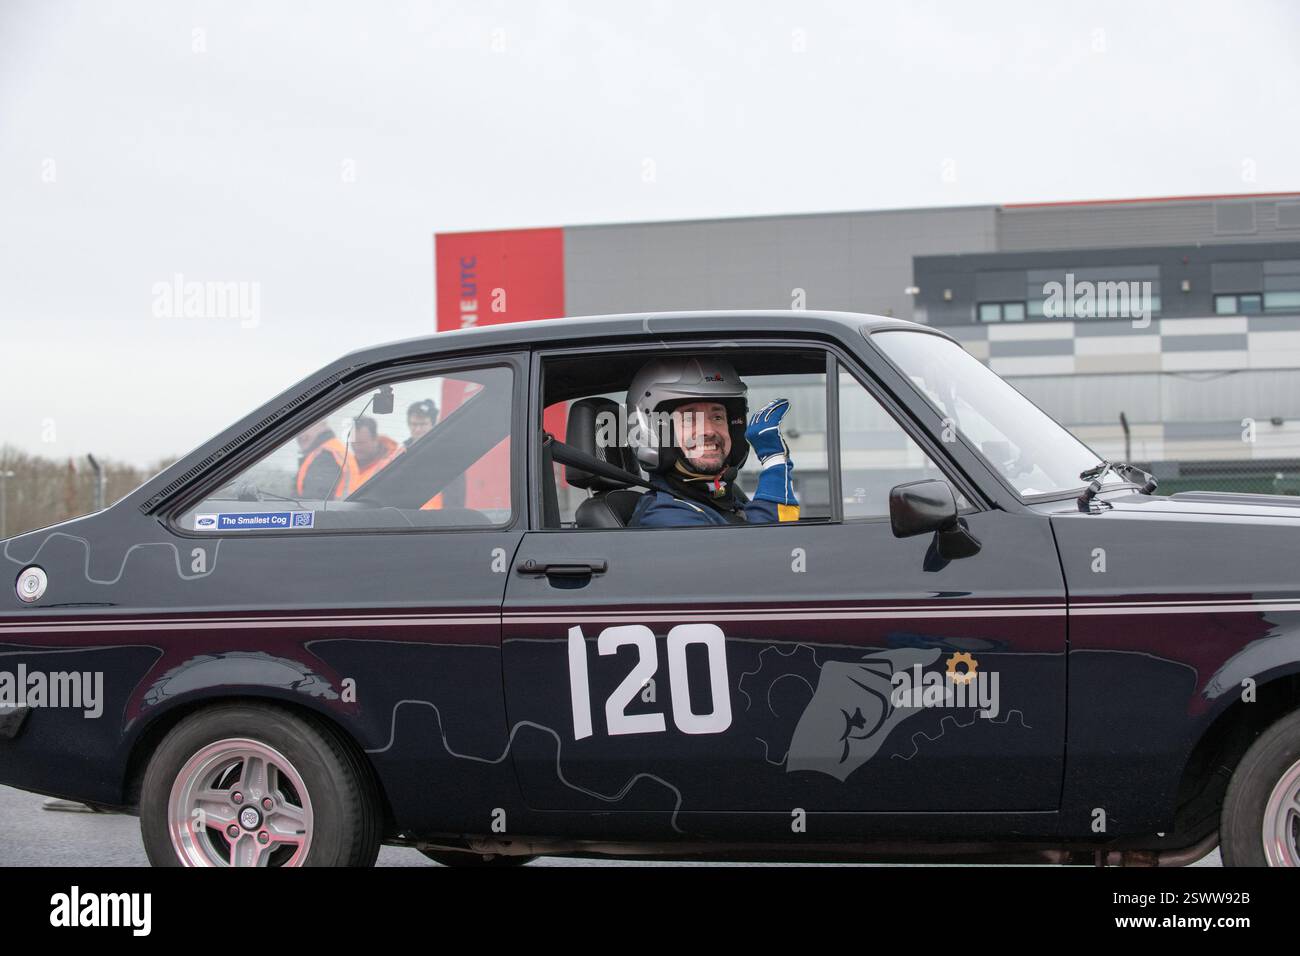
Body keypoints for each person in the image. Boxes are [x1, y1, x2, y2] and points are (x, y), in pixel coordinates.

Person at [625, 356, 799, 527]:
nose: (708, 431)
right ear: (655, 430)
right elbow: (763, 548)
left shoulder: (725, 501)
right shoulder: (664, 517)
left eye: (717, 417)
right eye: (689, 419)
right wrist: (775, 462)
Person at [295, 420, 356, 499]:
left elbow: (314, 501)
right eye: (297, 428)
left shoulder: (326, 456)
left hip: (332, 509)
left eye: (306, 426)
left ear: (322, 424)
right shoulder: (324, 450)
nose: (300, 434)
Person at [351, 417, 399, 488]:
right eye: (353, 442)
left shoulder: (394, 463)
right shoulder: (346, 465)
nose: (356, 447)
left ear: (375, 439)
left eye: (361, 443)